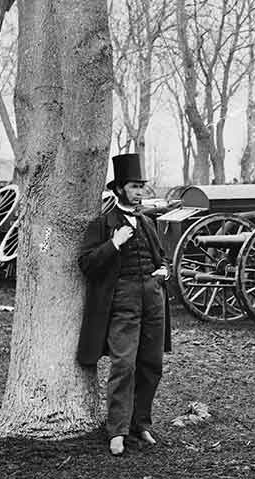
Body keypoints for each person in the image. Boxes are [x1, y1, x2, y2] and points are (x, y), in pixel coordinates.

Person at [78, 153, 172, 456]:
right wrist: (114, 243)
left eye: (142, 186)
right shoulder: (103, 224)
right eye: (134, 186)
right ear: (119, 189)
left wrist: (165, 271)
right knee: (124, 365)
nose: (140, 192)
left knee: (152, 364)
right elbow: (87, 264)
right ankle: (116, 430)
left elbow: (161, 257)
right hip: (123, 302)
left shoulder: (147, 222)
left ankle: (140, 424)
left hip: (153, 299)